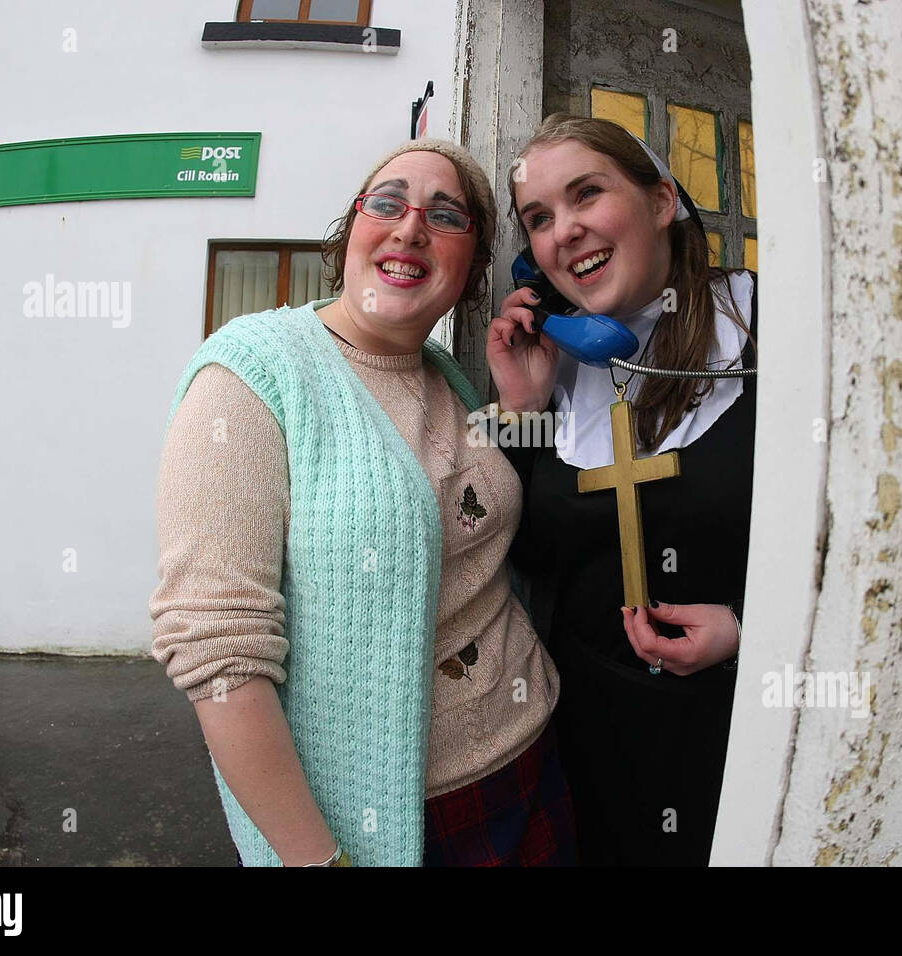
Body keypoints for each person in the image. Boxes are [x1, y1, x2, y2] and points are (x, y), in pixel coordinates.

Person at [149, 138, 574, 867]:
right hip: (410, 820)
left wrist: (521, 407)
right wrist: (317, 861)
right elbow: (217, 650)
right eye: (387, 203)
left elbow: (467, 529)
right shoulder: (254, 373)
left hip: (536, 762)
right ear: (351, 234)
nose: (410, 227)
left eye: (446, 216)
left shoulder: (447, 376)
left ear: (470, 269)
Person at [486, 114, 757, 866]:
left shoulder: (766, 327)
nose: (564, 231)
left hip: (736, 736)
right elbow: (526, 551)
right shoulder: (555, 359)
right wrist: (522, 412)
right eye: (539, 219)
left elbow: (863, 532)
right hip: (590, 748)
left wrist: (751, 630)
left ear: (662, 202)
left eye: (587, 195)